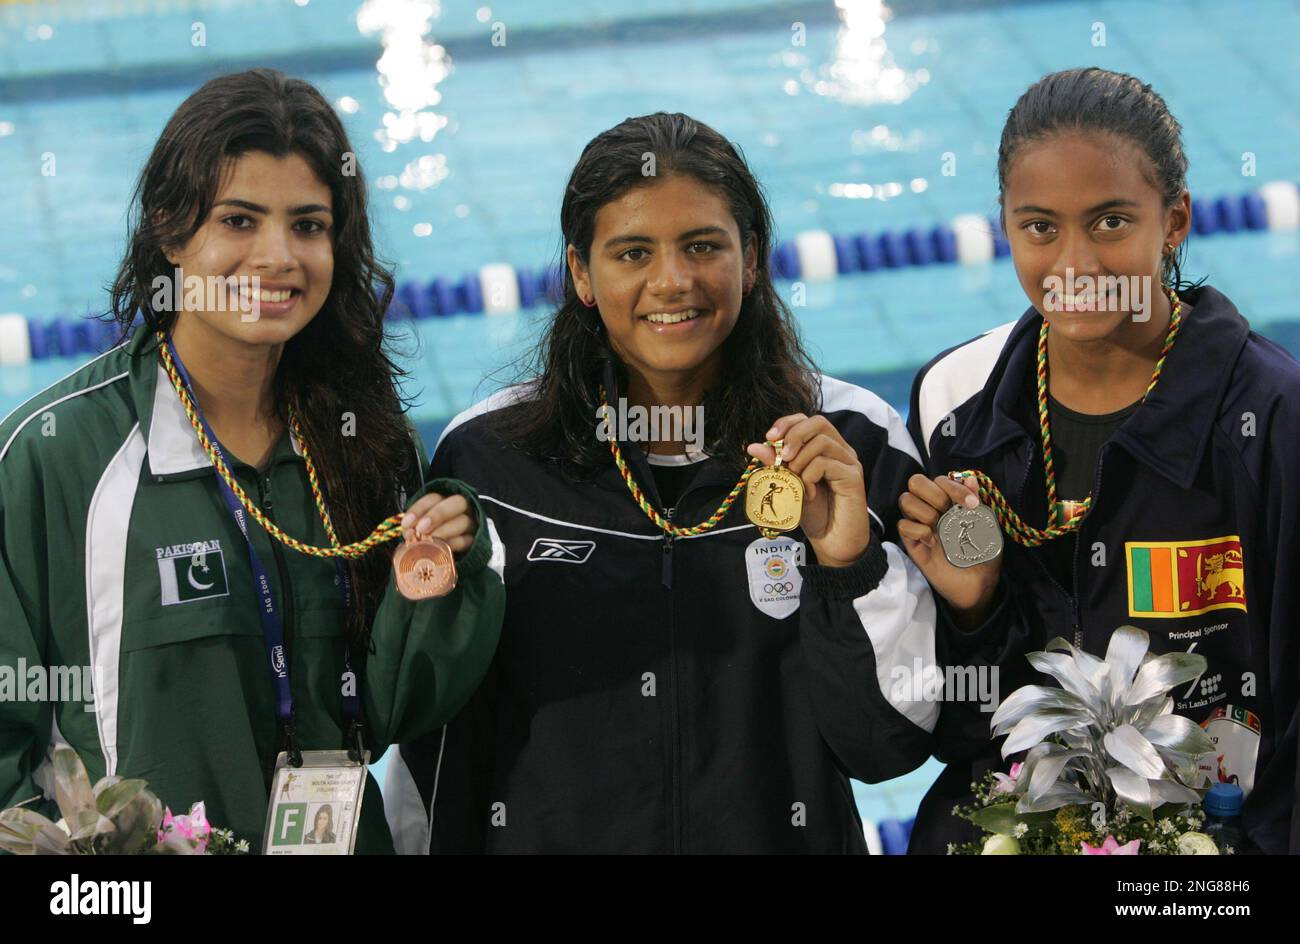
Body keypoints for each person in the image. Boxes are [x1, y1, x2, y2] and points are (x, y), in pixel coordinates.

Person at [385, 112, 938, 854]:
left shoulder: (849, 440)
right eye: (633, 252)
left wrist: (849, 563)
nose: (672, 281)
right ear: (582, 273)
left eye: (703, 245)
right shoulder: (492, 460)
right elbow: (437, 743)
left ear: (751, 258)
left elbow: (891, 745)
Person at [0, 69, 505, 854]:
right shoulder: (57, 458)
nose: (277, 257)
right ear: (170, 231)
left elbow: (393, 709)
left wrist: (446, 571)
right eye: (239, 220)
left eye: (308, 225)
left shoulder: (365, 442)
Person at [900, 68, 1300, 854]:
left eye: (1111, 222)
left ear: (1174, 219)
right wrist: (974, 612)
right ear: (1007, 226)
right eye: (1041, 227)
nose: (1074, 262)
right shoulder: (958, 405)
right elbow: (941, 726)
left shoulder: (1271, 419)